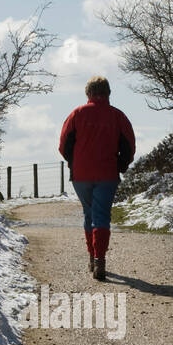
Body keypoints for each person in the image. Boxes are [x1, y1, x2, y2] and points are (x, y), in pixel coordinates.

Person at [59, 76, 136, 281]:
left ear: (88, 93)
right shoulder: (118, 116)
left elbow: (64, 145)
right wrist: (121, 165)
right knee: (101, 216)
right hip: (107, 174)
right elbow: (128, 146)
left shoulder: (77, 114)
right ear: (108, 93)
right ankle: (100, 259)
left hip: (81, 175)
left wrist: (74, 162)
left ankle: (92, 257)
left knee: (88, 214)